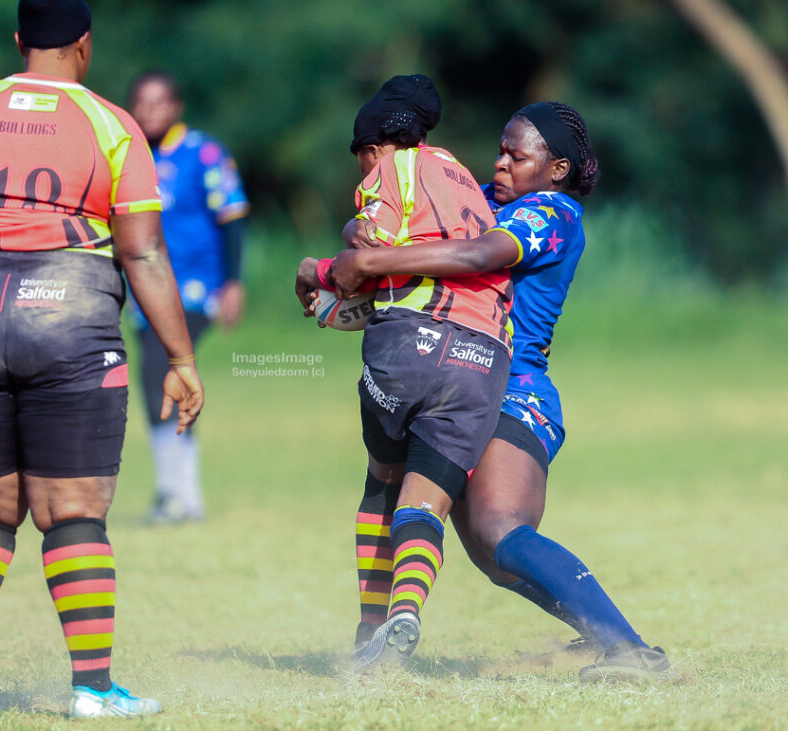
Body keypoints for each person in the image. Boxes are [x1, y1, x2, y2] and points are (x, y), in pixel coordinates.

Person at [0, 0, 203, 719]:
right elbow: (142, 250)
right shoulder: (113, 124)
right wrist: (179, 355)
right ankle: (91, 688)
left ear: (19, 41)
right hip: (70, 315)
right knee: (74, 511)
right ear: (85, 44)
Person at [320, 102, 671, 682]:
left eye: (518, 154)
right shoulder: (484, 198)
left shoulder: (553, 212)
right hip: (459, 377)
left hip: (515, 393)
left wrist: (370, 260)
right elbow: (387, 224)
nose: (501, 162)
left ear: (556, 169)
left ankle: (632, 651)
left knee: (499, 529)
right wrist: (353, 244)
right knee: (493, 560)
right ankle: (375, 640)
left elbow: (480, 254)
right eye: (501, 150)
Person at [296, 75, 514, 673]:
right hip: (486, 360)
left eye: (362, 157)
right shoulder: (469, 181)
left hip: (412, 347)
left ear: (376, 146)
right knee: (426, 502)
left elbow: (366, 263)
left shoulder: (392, 170)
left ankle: (370, 627)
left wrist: (316, 273)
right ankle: (408, 609)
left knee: (384, 482)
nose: (363, 172)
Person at [128, 70, 249, 523]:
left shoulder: (204, 153)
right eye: (142, 102)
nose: (150, 111)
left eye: (160, 102)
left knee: (166, 367)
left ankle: (183, 493)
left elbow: (233, 218)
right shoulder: (131, 155)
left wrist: (234, 283)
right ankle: (173, 490)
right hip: (146, 291)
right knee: (150, 379)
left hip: (197, 288)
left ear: (176, 106)